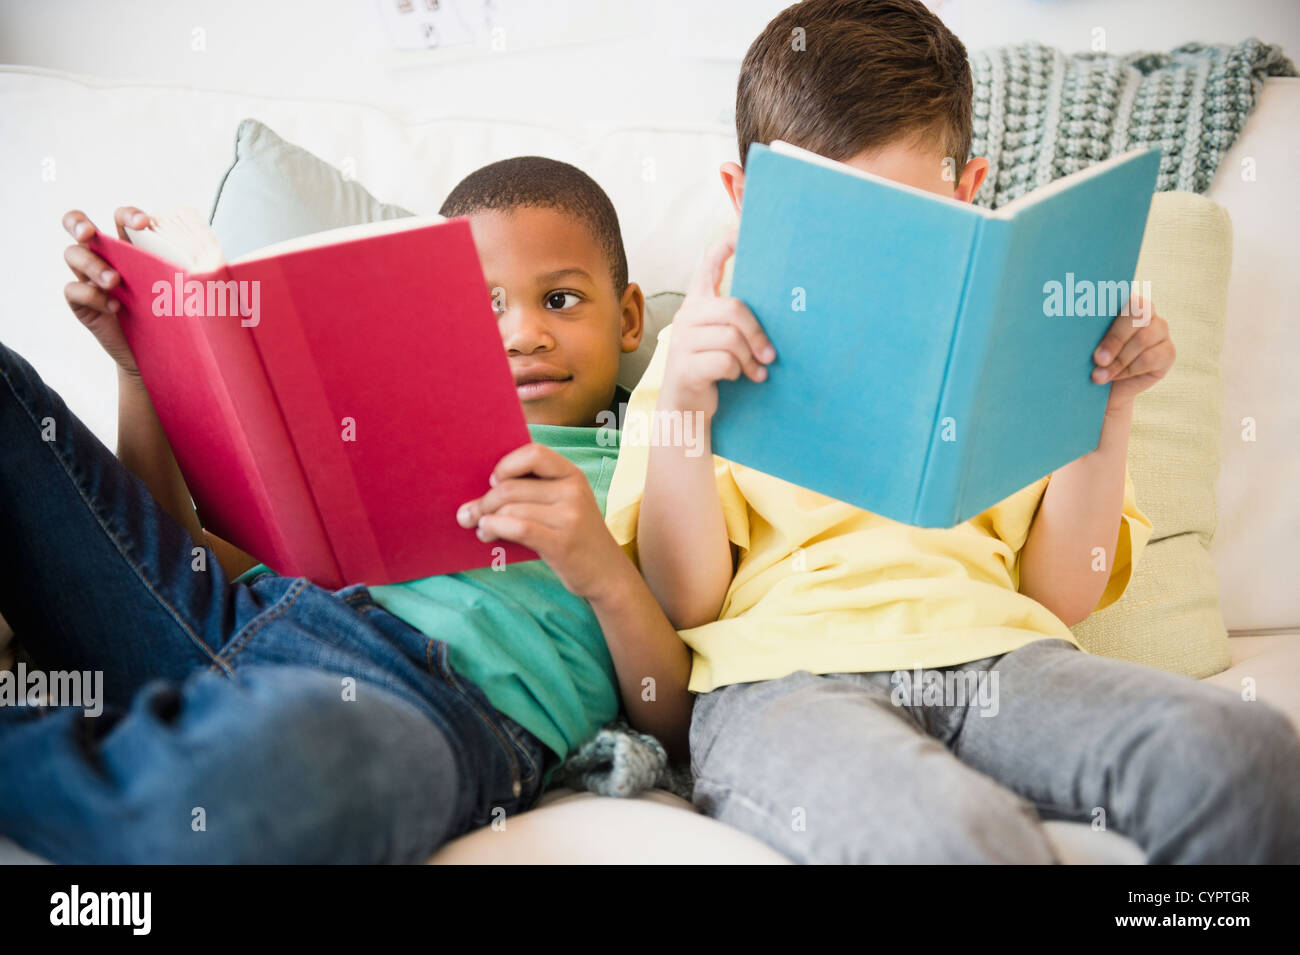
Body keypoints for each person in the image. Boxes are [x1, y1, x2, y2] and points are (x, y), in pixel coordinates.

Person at [604, 0, 1300, 863]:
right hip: (788, 680)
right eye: (830, 220)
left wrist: (1108, 409)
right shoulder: (694, 353)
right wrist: (686, 412)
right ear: (745, 198)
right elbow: (684, 602)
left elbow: (1062, 593)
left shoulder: (1014, 336)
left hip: (1005, 657)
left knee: (1248, 754)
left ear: (966, 192)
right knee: (949, 833)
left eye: (903, 220)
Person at [0, 156, 691, 863]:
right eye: (486, 306)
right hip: (235, 622)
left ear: (629, 316)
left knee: (278, 769)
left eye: (560, 300)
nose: (523, 334)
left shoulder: (655, 448)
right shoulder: (391, 426)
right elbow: (181, 553)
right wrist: (139, 367)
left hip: (421, 702)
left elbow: (674, 717)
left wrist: (600, 567)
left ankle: (142, 758)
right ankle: (170, 745)